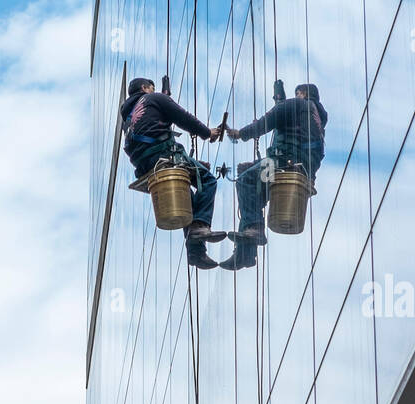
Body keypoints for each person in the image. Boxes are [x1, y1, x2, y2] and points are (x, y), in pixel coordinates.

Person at [218, 82, 329, 271]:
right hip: (300, 170)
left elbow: (267, 121)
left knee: (245, 180)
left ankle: (254, 230)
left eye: (297, 93)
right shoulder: (316, 117)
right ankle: (246, 253)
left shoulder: (296, 104)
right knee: (252, 196)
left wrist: (239, 134)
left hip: (284, 163)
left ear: (301, 93)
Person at [120, 77, 227, 269]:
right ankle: (201, 226)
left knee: (188, 198)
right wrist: (207, 133)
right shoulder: (154, 99)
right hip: (164, 155)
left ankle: (196, 253)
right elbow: (183, 117)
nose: (153, 90)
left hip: (145, 165)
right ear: (145, 88)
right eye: (151, 87)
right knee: (208, 180)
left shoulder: (127, 117)